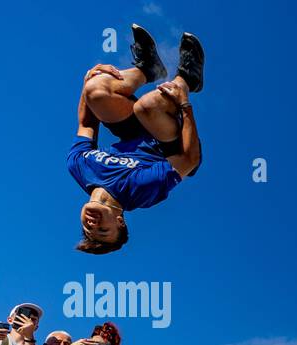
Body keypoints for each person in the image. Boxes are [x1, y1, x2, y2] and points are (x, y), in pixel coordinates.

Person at [71, 25, 204, 254]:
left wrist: (88, 81)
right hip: (170, 147)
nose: (93, 225)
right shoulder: (138, 191)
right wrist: (184, 105)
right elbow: (189, 161)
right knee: (148, 106)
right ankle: (188, 78)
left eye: (88, 229)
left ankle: (147, 68)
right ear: (119, 221)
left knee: (96, 92)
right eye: (103, 231)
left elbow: (86, 124)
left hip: (133, 132)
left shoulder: (80, 168)